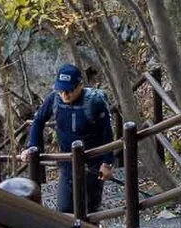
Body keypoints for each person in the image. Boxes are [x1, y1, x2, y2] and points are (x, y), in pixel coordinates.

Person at [22, 63, 117, 215]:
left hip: (93, 162)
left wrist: (107, 163)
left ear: (80, 85)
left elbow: (106, 132)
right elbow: (38, 121)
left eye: (69, 90)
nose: (65, 95)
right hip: (67, 162)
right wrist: (32, 146)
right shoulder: (54, 99)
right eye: (61, 90)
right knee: (64, 209)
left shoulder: (95, 102)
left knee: (90, 208)